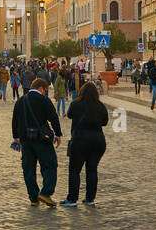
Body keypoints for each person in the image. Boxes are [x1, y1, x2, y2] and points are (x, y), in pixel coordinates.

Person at [12, 77, 62, 207]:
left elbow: (14, 120)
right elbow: (53, 117)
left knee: (28, 169)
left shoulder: (21, 101)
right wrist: (57, 134)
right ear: (41, 88)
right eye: (45, 90)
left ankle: (33, 197)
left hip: (25, 140)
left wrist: (16, 137)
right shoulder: (44, 100)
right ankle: (45, 193)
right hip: (42, 139)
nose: (45, 93)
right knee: (50, 165)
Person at [63, 80, 108, 206]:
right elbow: (105, 122)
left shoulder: (76, 104)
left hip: (80, 140)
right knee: (92, 170)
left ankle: (72, 199)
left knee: (74, 170)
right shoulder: (100, 105)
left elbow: (70, 115)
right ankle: (90, 198)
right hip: (98, 141)